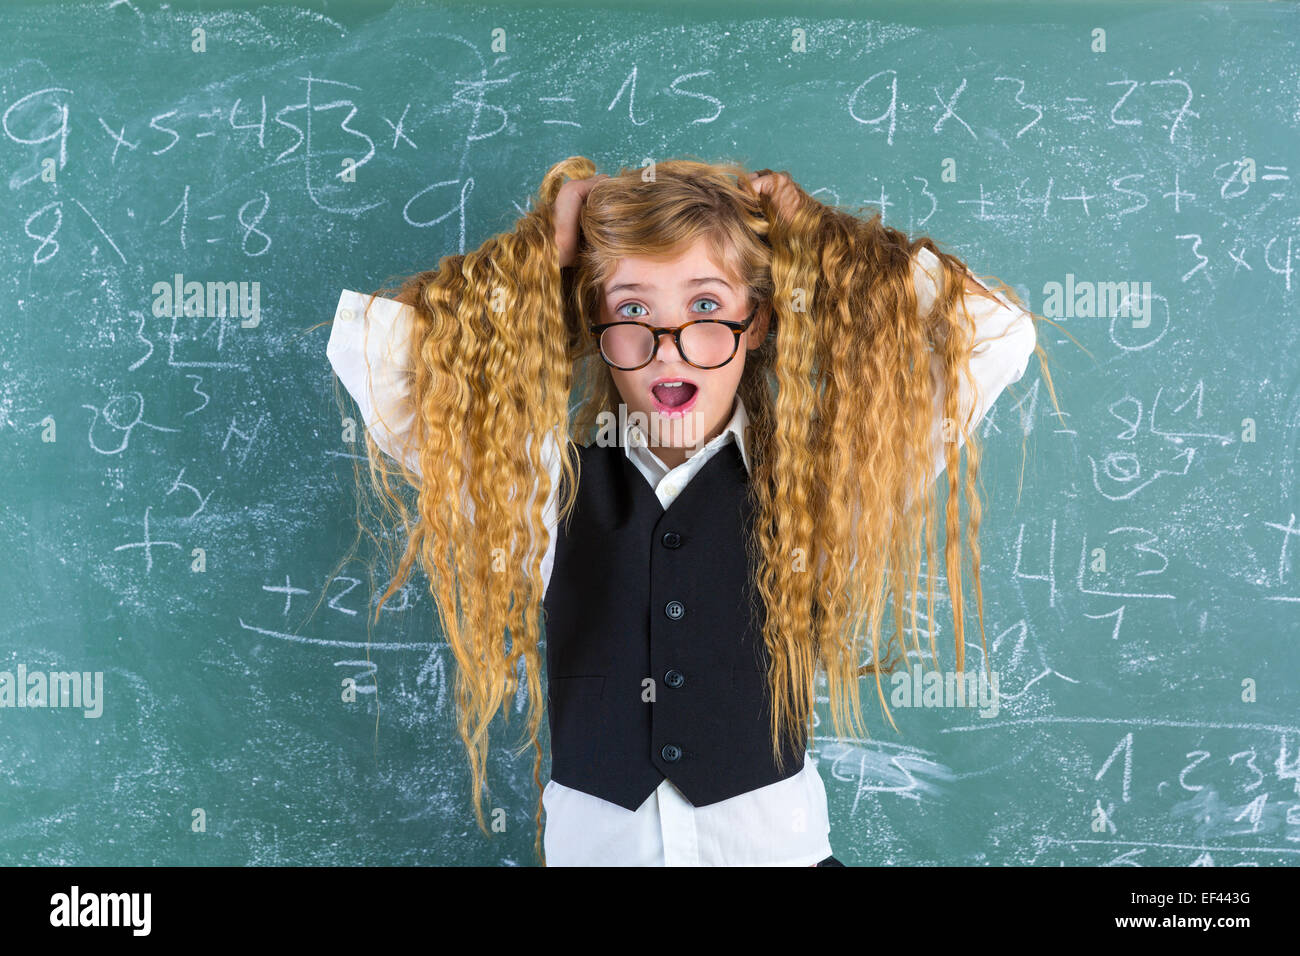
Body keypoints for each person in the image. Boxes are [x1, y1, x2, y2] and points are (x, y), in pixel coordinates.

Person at [325, 156, 1048, 866]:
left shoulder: (827, 484)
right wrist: (538, 258)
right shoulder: (538, 486)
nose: (668, 351)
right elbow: (372, 350)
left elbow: (994, 333)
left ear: (757, 323)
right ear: (595, 332)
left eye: (706, 307)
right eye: (634, 311)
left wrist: (819, 241)